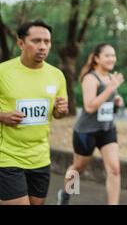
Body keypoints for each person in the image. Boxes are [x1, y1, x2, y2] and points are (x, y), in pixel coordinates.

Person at [0, 20, 69, 205]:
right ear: (20, 43)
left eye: (47, 42)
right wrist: (1, 116)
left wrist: (61, 111)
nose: (43, 46)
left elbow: (58, 114)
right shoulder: (3, 72)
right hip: (7, 157)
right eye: (36, 41)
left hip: (40, 158)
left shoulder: (56, 75)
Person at [57, 43, 124, 205]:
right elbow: (90, 106)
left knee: (114, 169)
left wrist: (117, 100)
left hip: (107, 129)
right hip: (86, 132)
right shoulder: (90, 78)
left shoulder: (109, 77)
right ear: (96, 58)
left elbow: (106, 102)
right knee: (79, 168)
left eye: (113, 55)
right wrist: (111, 88)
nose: (111, 59)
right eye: (107, 55)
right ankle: (65, 195)